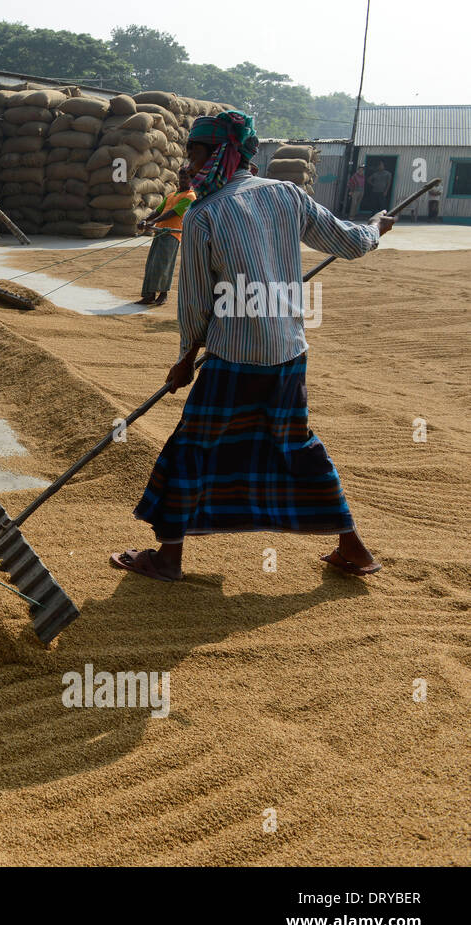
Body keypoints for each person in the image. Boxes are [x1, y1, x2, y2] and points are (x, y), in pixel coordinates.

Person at [110, 110, 395, 582]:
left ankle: (168, 559)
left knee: (191, 449)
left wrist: (184, 358)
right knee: (296, 446)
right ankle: (355, 551)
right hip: (287, 354)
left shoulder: (204, 214)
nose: (189, 161)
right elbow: (349, 241)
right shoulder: (287, 195)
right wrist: (375, 229)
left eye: (197, 152)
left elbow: (198, 299)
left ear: (222, 153)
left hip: (235, 359)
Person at [134, 168, 196, 307]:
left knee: (164, 265)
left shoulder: (190, 197)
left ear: (192, 179)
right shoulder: (171, 195)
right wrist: (146, 219)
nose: (184, 180)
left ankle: (163, 294)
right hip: (160, 232)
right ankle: (149, 295)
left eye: (187, 178)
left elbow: (173, 213)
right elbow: (159, 210)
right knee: (152, 264)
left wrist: (152, 223)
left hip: (172, 234)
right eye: (182, 177)